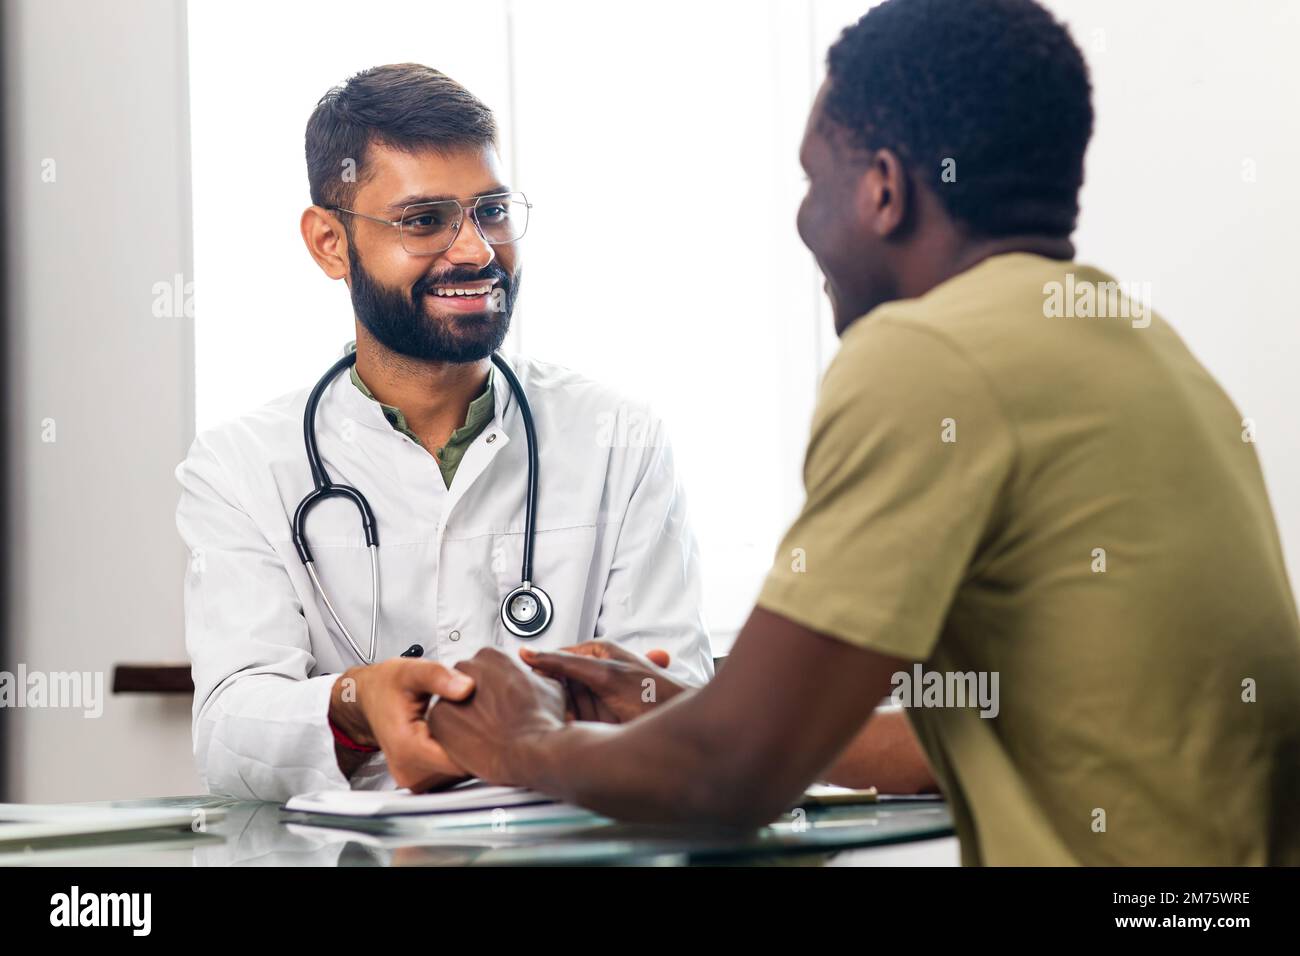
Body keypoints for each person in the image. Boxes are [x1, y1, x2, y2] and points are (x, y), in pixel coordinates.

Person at [423, 0, 1300, 866]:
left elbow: (728, 778)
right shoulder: (1138, 345)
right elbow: (972, 732)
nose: (804, 219)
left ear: (883, 189)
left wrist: (523, 741)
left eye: (814, 180)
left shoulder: (930, 357)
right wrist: (674, 705)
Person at [174, 64, 715, 801]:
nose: (476, 251)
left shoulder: (619, 437)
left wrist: (587, 715)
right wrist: (357, 704)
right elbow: (230, 733)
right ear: (329, 243)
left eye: (490, 211)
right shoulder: (239, 465)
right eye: (425, 221)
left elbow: (673, 693)